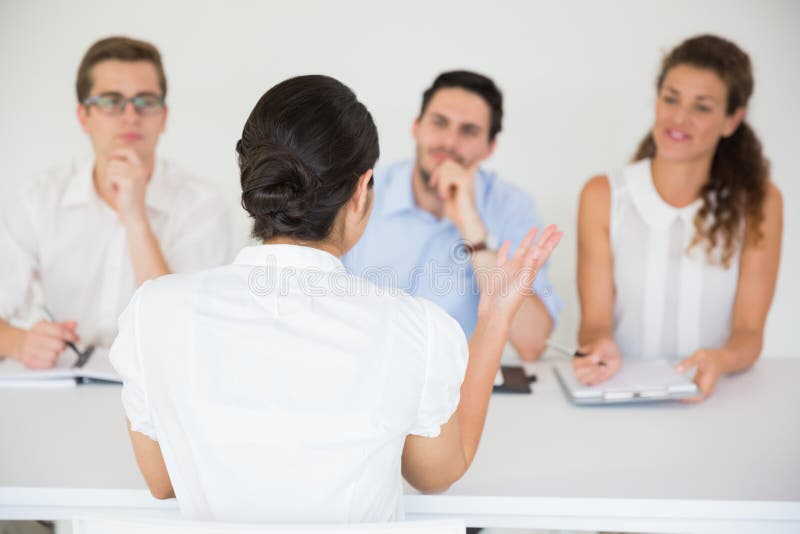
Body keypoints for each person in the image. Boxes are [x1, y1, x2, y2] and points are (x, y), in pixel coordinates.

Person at [109, 75, 562, 522]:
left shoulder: (153, 309)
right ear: (362, 191)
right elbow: (438, 473)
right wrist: (495, 318)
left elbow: (163, 480)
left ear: (252, 180)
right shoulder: (419, 327)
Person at [575, 34, 782, 401]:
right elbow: (594, 323)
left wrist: (721, 359)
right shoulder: (603, 196)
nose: (679, 118)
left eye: (702, 107)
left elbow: (749, 334)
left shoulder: (760, 202)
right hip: (623, 397)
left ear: (732, 120)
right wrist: (596, 345)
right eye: (670, 99)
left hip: (718, 401)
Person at [0, 36, 230, 368]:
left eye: (145, 101)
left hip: (160, 386)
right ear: (83, 116)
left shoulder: (202, 206)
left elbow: (184, 331)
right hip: (63, 385)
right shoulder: (38, 200)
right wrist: (21, 343)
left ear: (163, 116)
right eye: (111, 101)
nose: (130, 116)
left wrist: (135, 216)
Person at [342, 71, 561, 361]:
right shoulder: (360, 194)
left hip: (462, 388)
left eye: (469, 131)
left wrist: (473, 230)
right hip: (366, 374)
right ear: (416, 127)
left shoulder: (512, 207)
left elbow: (532, 343)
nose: (449, 142)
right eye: (439, 123)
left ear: (489, 147)